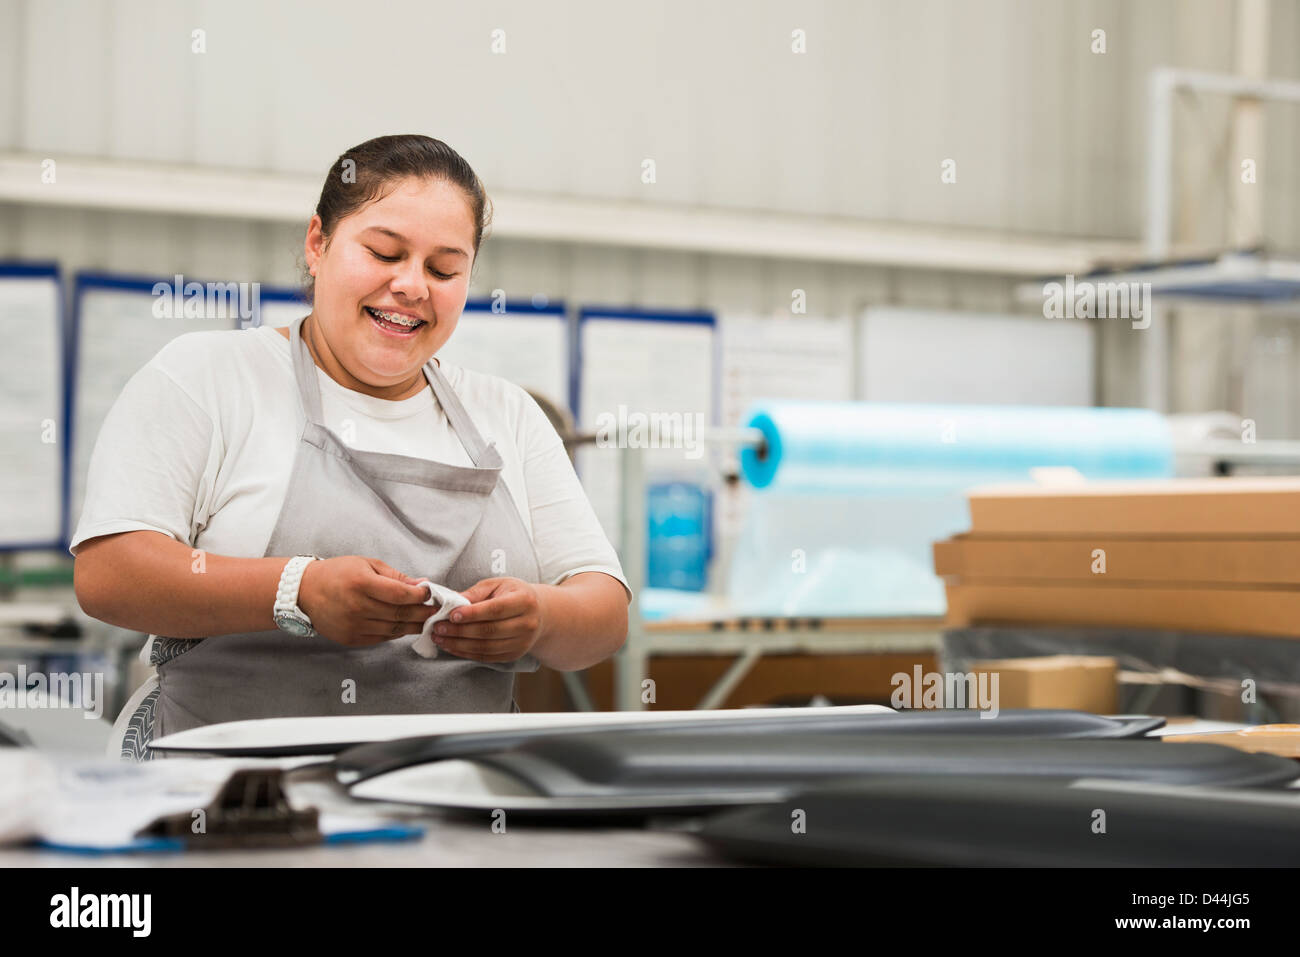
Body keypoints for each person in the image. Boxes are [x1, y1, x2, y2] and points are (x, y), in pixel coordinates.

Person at [70, 134, 631, 759]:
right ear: (318, 244)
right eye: (384, 252)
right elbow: (109, 573)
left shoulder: (509, 415)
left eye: (444, 269)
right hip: (230, 803)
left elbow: (604, 612)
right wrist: (296, 591)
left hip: (454, 807)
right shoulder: (209, 377)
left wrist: (542, 620)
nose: (412, 286)